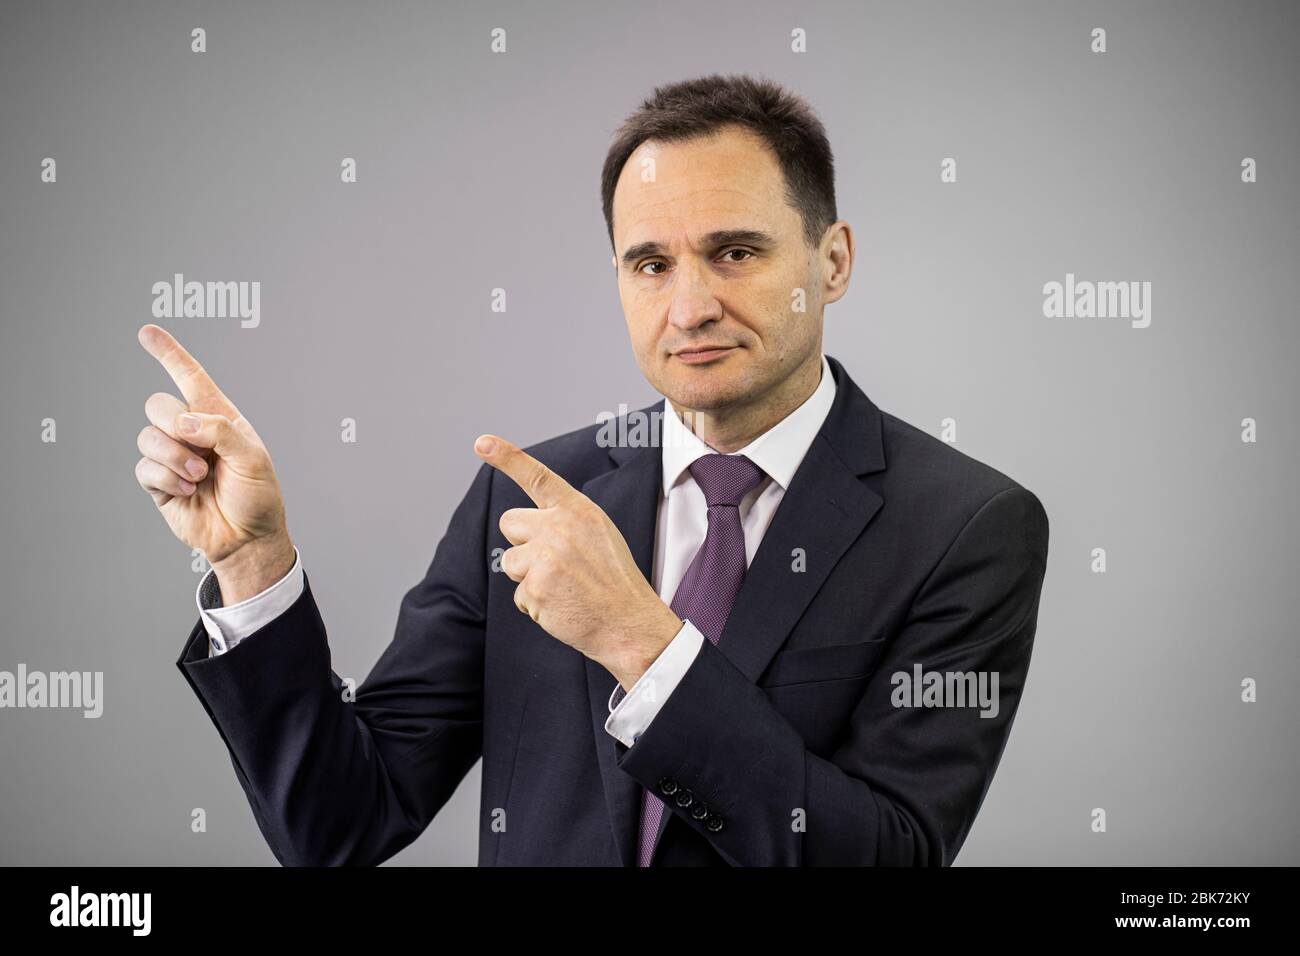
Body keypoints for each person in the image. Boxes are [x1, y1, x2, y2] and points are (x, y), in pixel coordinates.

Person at [134, 73, 1049, 866]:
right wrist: (253, 560)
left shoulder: (966, 527)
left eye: (735, 252)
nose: (689, 307)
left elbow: (886, 854)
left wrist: (641, 645)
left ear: (833, 260)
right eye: (650, 263)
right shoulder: (524, 496)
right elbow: (340, 824)